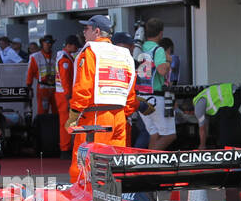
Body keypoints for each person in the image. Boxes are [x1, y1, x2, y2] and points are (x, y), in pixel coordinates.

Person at [67, 14, 144, 183]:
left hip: (95, 118)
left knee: (86, 166)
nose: (83, 32)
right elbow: (130, 93)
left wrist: (73, 117)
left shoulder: (90, 52)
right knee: (115, 165)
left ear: (96, 31)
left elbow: (83, 88)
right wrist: (125, 112)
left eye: (86, 28)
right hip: (119, 118)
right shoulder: (125, 54)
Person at [136, 18, 176, 150]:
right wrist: (169, 61)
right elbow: (162, 70)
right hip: (156, 97)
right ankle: (148, 161)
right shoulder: (158, 50)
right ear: (160, 34)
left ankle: (147, 167)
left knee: (154, 133)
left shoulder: (140, 47)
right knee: (169, 135)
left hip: (141, 97)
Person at [111, 32, 147, 148]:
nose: (133, 48)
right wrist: (139, 104)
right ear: (119, 45)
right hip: (115, 113)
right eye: (129, 45)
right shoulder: (111, 63)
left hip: (124, 113)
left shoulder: (132, 63)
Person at [193, 82, 241, 149]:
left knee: (224, 122)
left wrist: (202, 145)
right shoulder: (202, 98)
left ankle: (226, 148)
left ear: (189, 111)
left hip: (233, 94)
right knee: (230, 119)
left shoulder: (198, 107)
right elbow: (206, 127)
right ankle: (237, 145)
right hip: (237, 93)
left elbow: (202, 129)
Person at [54, 35, 80, 157]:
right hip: (64, 95)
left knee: (66, 121)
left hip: (62, 94)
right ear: (69, 45)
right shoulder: (65, 59)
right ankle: (65, 149)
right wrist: (68, 95)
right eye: (75, 46)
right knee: (66, 122)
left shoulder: (64, 57)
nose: (76, 48)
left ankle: (65, 147)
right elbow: (65, 79)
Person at [26, 35, 57, 122]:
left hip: (55, 87)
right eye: (46, 43)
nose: (49, 45)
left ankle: (55, 130)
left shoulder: (56, 56)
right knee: (43, 110)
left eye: (50, 43)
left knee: (56, 110)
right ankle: (42, 130)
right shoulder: (35, 57)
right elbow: (30, 73)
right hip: (43, 88)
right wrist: (29, 86)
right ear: (42, 44)